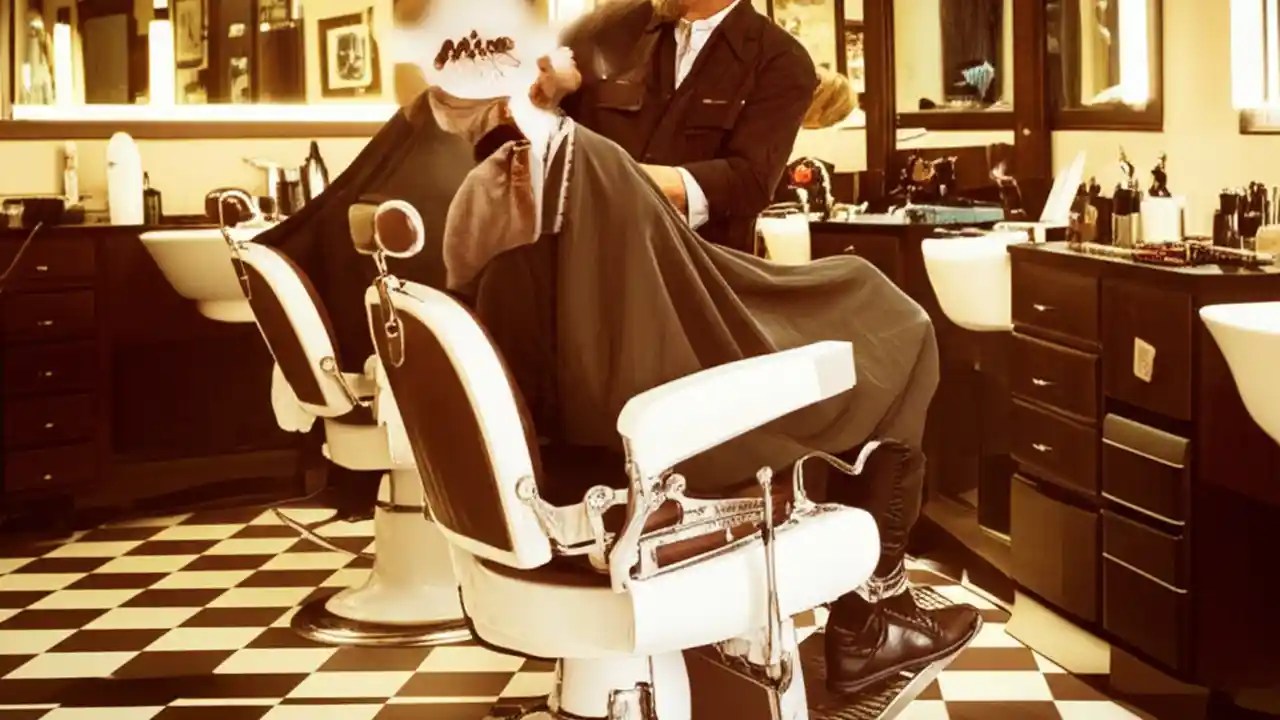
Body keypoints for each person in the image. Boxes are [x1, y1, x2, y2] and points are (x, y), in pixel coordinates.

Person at [526, 0, 818, 254]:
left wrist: (614, 178)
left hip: (696, 278)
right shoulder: (608, 28)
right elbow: (556, 140)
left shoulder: (780, 60)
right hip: (587, 261)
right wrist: (551, 99)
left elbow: (748, 181)